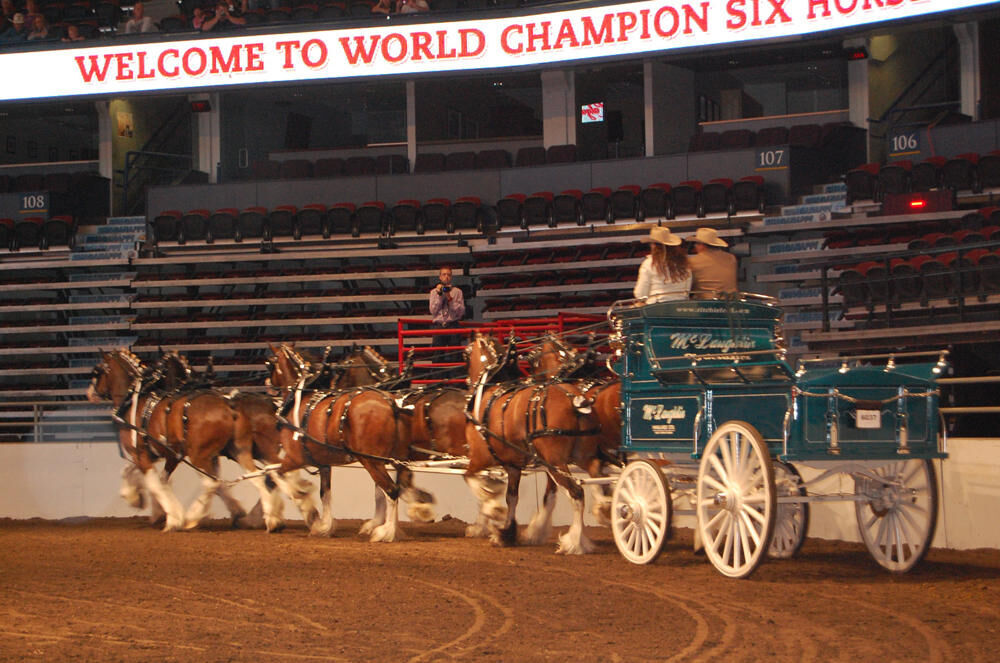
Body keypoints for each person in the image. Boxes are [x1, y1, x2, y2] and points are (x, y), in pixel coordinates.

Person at [633, 226, 691, 303]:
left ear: (653, 245)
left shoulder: (649, 263)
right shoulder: (684, 262)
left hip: (656, 307)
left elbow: (640, 295)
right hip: (680, 305)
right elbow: (687, 289)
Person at [428, 265, 465, 375]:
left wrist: (449, 298)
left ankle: (456, 382)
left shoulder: (457, 292)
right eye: (444, 274)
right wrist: (440, 296)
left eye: (449, 274)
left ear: (451, 277)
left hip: (453, 324)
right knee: (437, 356)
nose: (446, 277)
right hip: (439, 326)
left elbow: (460, 312)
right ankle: (436, 382)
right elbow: (433, 311)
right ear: (440, 277)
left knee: (455, 355)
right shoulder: (433, 292)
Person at [687, 227, 738, 299]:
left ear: (702, 245)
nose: (695, 246)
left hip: (707, 305)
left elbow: (688, 285)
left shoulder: (692, 261)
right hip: (732, 302)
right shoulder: (731, 258)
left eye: (696, 243)